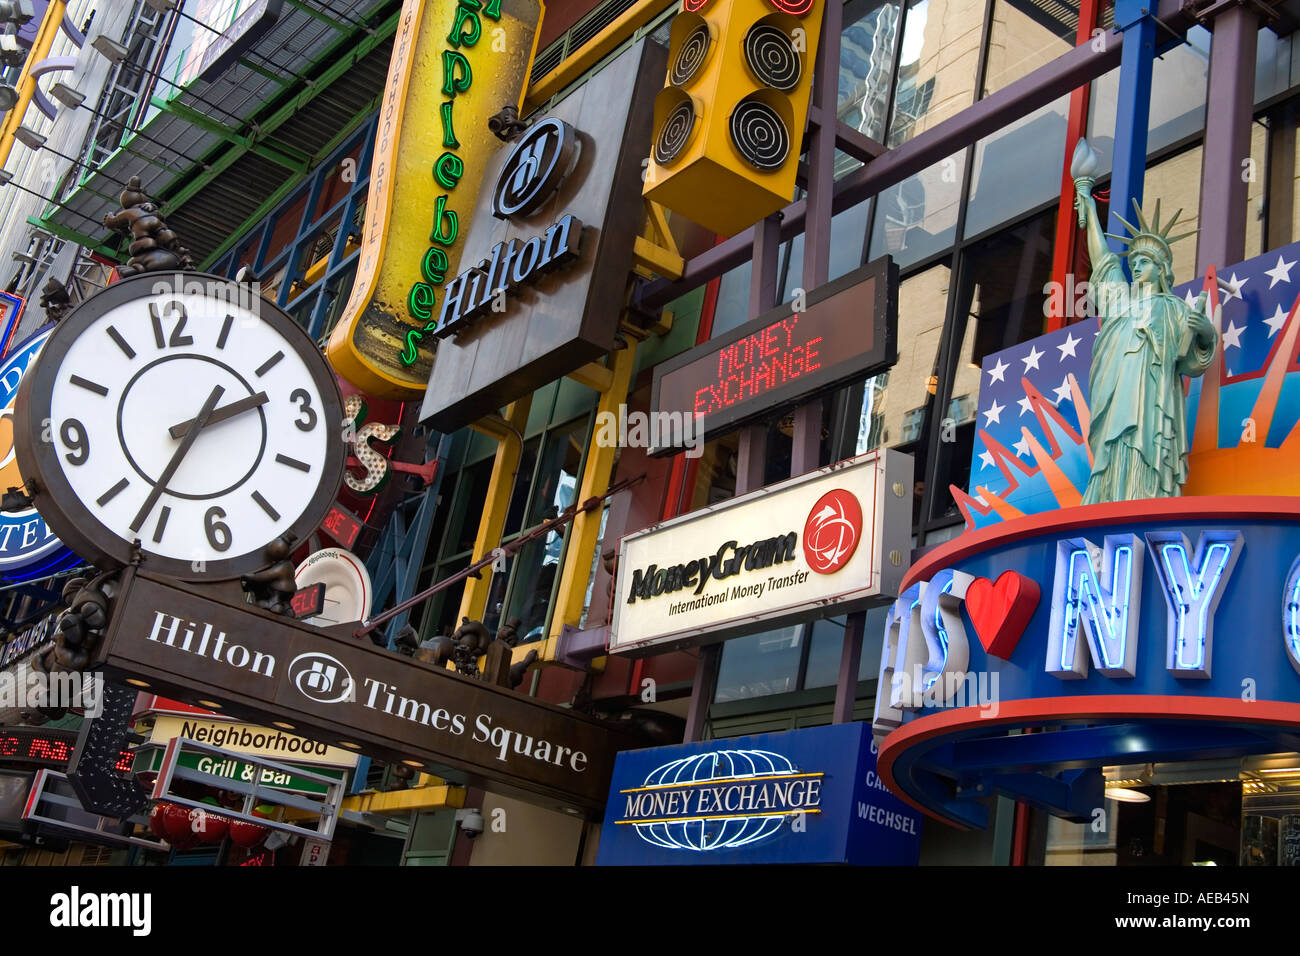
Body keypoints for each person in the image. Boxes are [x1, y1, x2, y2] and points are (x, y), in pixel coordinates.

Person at [1073, 154, 1218, 504]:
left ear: (1162, 268)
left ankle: (1144, 501)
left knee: (1145, 453)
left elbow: (1189, 364)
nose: (1136, 267)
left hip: (1153, 404)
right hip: (1117, 396)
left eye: (1144, 263)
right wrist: (1089, 205)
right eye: (1134, 262)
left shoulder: (1174, 308)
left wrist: (1206, 334)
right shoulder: (1120, 301)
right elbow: (1103, 259)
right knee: (1114, 451)